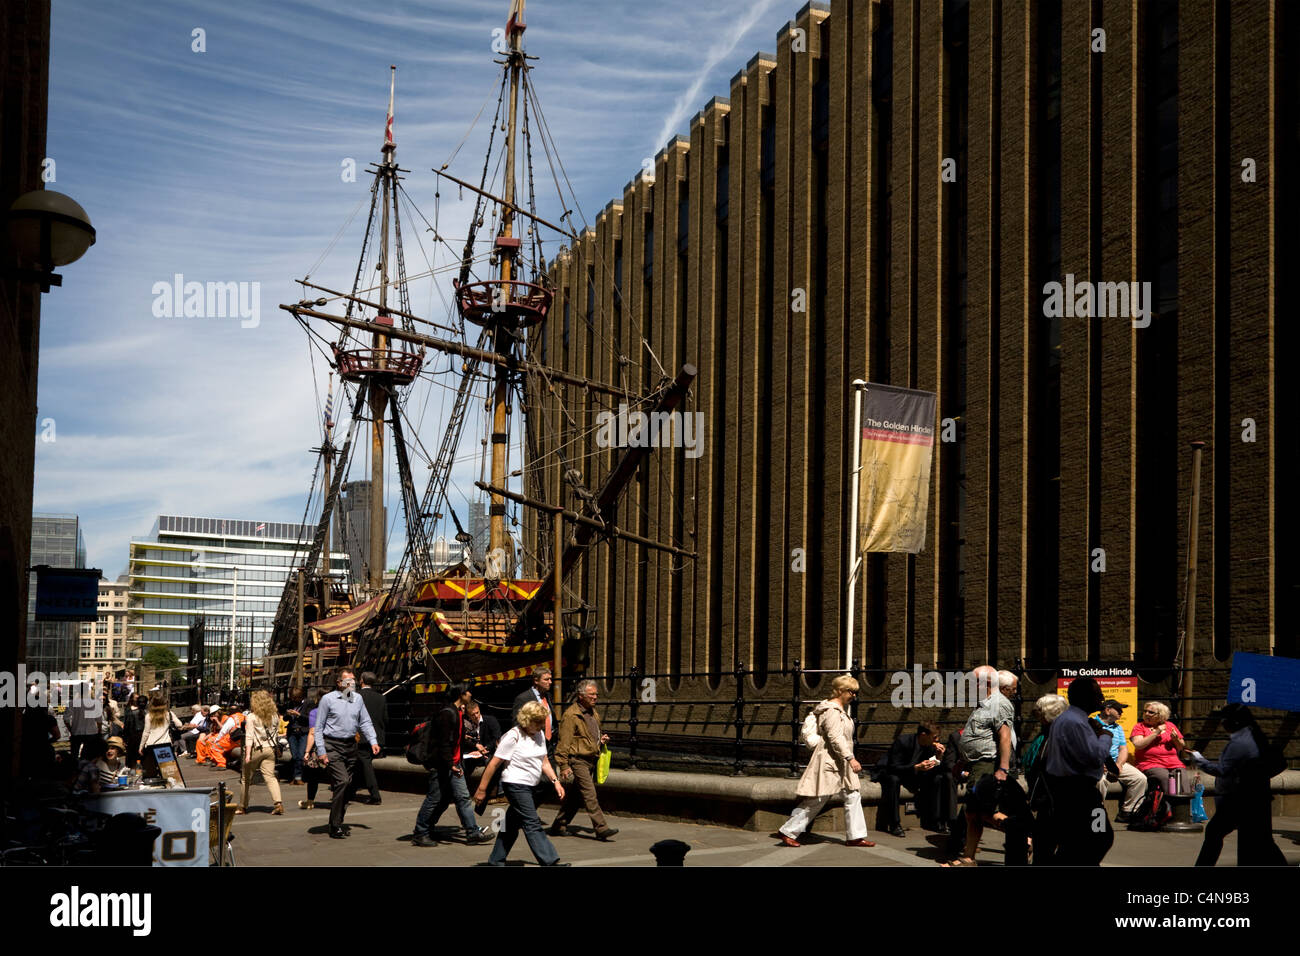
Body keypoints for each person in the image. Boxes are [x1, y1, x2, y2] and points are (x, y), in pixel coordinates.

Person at [778, 674, 874, 848]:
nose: (854, 695)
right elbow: (835, 738)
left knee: (853, 794)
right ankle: (788, 831)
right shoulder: (831, 711)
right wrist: (851, 758)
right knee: (819, 798)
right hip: (831, 761)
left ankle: (856, 836)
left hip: (840, 761)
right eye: (851, 692)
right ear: (841, 691)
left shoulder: (839, 711)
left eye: (855, 692)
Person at [1186, 703, 1287, 866]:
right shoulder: (1254, 735)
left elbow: (1223, 769)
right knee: (1262, 841)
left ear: (1234, 722)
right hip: (1254, 796)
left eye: (1224, 720)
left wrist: (1200, 760)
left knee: (1216, 833)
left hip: (1239, 799)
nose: (1222, 724)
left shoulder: (1240, 743)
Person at [473, 700, 569, 866]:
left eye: (542, 722)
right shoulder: (513, 736)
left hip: (531, 785)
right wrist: (481, 789)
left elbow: (544, 762)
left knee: (510, 825)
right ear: (527, 720)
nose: (540, 726)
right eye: (537, 722)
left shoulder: (538, 734)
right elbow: (494, 764)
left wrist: (556, 781)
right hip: (515, 784)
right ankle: (550, 861)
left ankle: (495, 860)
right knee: (532, 822)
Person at [1041, 676, 1114, 865]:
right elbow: (1095, 756)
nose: (1102, 698)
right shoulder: (1076, 723)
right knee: (1100, 836)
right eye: (1098, 693)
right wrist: (1106, 736)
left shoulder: (1069, 720)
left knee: (1077, 840)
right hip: (1081, 793)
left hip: (1070, 791)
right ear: (1085, 697)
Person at [945, 666, 1013, 866]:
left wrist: (1002, 768)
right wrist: (962, 760)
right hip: (976, 763)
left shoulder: (999, 703)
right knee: (974, 811)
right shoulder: (983, 704)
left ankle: (1021, 832)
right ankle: (969, 856)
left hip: (986, 763)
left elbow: (1005, 736)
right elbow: (978, 735)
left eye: (973, 682)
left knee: (977, 810)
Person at [412, 684, 491, 847]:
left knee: (461, 797)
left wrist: (473, 745)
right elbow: (443, 743)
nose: (470, 694)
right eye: (468, 692)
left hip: (454, 762)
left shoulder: (457, 712)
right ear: (461, 694)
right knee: (435, 798)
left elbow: (457, 739)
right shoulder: (447, 714)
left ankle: (472, 832)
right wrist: (450, 764)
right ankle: (421, 832)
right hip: (442, 764)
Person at [548, 679, 619, 840]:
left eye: (596, 694)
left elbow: (589, 736)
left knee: (575, 797)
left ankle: (559, 825)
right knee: (589, 794)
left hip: (591, 759)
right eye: (591, 694)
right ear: (581, 696)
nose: (595, 697)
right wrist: (564, 765)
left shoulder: (593, 712)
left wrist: (600, 741)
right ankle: (601, 828)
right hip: (578, 760)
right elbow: (564, 742)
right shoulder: (571, 715)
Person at [315, 668, 379, 839]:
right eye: (347, 681)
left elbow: (364, 721)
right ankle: (335, 825)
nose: (352, 684)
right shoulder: (327, 700)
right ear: (339, 683)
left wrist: (373, 741)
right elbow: (318, 727)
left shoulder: (357, 699)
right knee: (342, 781)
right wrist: (321, 751)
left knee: (347, 786)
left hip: (351, 746)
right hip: (332, 745)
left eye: (353, 680)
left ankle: (336, 820)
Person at [871, 720, 948, 836]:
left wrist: (938, 757)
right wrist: (916, 767)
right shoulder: (903, 741)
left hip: (913, 773)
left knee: (938, 778)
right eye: (934, 737)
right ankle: (894, 823)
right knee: (893, 780)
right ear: (923, 735)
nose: (937, 740)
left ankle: (935, 821)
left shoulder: (930, 746)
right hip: (892, 771)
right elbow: (893, 767)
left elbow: (933, 768)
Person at [1022, 693, 1068, 865]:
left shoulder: (1060, 735)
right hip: (1044, 798)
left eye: (1039, 711)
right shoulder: (1045, 734)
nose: (1036, 714)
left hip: (1056, 799)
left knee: (1049, 844)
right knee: (1043, 845)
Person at [1094, 699, 1147, 822]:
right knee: (1100, 782)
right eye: (1118, 709)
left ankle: (1127, 812)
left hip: (1114, 762)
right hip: (1096, 763)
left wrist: (1119, 764)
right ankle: (1097, 813)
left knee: (1140, 779)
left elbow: (1123, 749)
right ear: (1107, 710)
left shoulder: (1118, 727)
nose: (1121, 712)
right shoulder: (1091, 725)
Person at [235, 691, 284, 816]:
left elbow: (249, 737)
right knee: (270, 777)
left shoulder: (251, 717)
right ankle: (278, 803)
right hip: (270, 749)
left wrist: (247, 755)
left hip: (256, 750)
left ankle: (242, 806)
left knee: (246, 779)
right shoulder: (275, 716)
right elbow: (277, 734)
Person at [1131, 701, 1187, 795]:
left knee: (1183, 779)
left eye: (1150, 712)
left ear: (1160, 715)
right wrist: (1156, 733)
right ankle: (1168, 806)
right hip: (1151, 763)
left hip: (1173, 762)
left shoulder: (1170, 726)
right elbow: (1139, 744)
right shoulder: (1139, 727)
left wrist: (1176, 739)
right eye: (1145, 711)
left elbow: (1181, 747)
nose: (1146, 714)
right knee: (1165, 778)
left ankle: (1183, 807)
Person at [351, 672, 388, 805]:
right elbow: (385, 719)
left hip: (360, 736)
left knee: (364, 765)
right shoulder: (381, 698)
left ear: (361, 681)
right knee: (359, 765)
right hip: (376, 736)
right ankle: (350, 791)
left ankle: (375, 795)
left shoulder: (354, 695)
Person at [139, 693, 184, 775]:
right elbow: (180, 725)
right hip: (165, 744)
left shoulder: (148, 716)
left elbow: (146, 733)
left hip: (151, 745)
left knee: (152, 770)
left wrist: (141, 746)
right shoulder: (169, 714)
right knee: (168, 771)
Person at [299, 689, 328, 810]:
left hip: (320, 747)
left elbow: (312, 732)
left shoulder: (315, 712)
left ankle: (310, 801)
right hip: (336, 745)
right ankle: (340, 800)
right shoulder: (337, 711)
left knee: (313, 776)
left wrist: (307, 752)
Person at [512, 666, 556, 744]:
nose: (550, 682)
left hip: (550, 744)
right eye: (546, 679)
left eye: (550, 679)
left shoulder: (548, 696)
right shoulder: (523, 698)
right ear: (536, 681)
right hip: (532, 742)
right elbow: (517, 723)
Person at [65, 681, 102, 762]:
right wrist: (99, 731)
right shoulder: (95, 703)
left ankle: (75, 771)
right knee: (89, 756)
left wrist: (71, 729)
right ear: (87, 690)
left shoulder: (71, 703)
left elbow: (66, 719)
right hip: (91, 732)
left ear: (77, 691)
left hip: (76, 732)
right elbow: (99, 720)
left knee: (74, 756)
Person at [284, 685, 311, 785]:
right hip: (292, 732)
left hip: (303, 731)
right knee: (294, 755)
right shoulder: (290, 704)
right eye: (293, 699)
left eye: (296, 699)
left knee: (300, 755)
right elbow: (285, 719)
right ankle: (294, 776)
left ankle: (298, 777)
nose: (295, 701)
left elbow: (309, 719)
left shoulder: (309, 703)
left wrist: (298, 715)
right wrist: (288, 714)